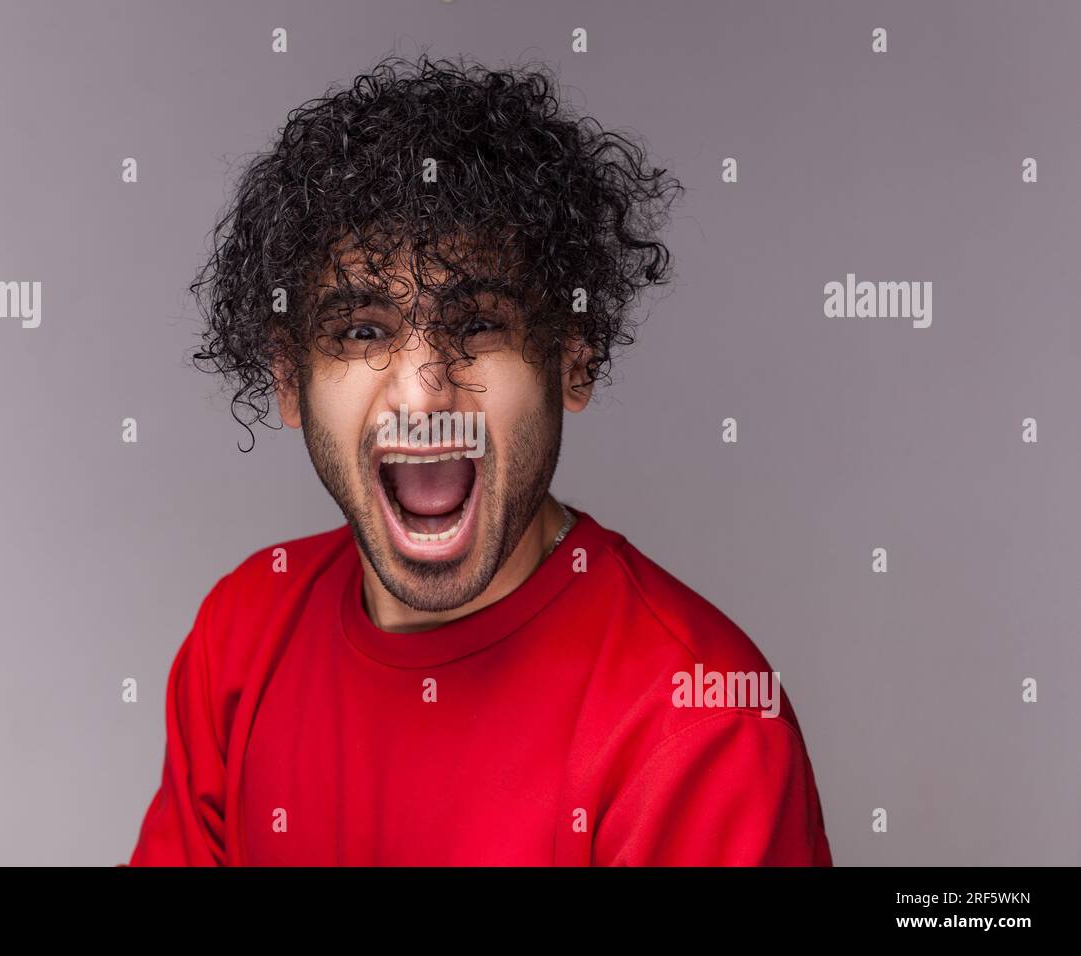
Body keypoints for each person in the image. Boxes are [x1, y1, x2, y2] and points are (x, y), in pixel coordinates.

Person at [128, 54, 832, 865]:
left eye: (479, 325)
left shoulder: (703, 725)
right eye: (362, 330)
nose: (424, 398)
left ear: (573, 361)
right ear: (291, 383)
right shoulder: (242, 639)